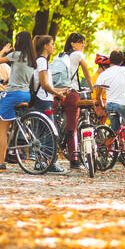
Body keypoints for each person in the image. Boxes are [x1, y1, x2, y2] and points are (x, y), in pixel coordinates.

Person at [0, 31, 37, 173]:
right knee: (14, 125)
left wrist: (3, 51)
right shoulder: (32, 59)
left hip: (12, 94)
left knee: (2, 130)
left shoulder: (16, 55)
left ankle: (0, 163)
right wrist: (8, 80)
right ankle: (13, 152)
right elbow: (20, 74)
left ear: (19, 41)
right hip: (25, 94)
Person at [94, 50, 125, 172]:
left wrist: (104, 107)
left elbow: (98, 95)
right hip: (123, 103)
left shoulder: (103, 74)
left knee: (114, 131)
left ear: (110, 60)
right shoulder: (124, 70)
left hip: (110, 105)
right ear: (121, 61)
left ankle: (102, 150)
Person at [52, 33, 95, 161]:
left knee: (53, 125)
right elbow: (86, 72)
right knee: (72, 128)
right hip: (71, 94)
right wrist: (92, 88)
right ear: (73, 43)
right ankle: (74, 159)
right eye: (81, 42)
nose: (83, 45)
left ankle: (50, 155)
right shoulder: (78, 55)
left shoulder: (59, 56)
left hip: (57, 93)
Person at [31, 35, 68, 173]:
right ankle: (51, 163)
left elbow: (47, 85)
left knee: (42, 131)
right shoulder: (42, 61)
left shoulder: (41, 61)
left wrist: (60, 90)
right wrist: (57, 94)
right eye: (52, 44)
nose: (53, 46)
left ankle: (40, 162)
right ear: (45, 45)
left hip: (44, 98)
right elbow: (45, 84)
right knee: (50, 132)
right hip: (43, 100)